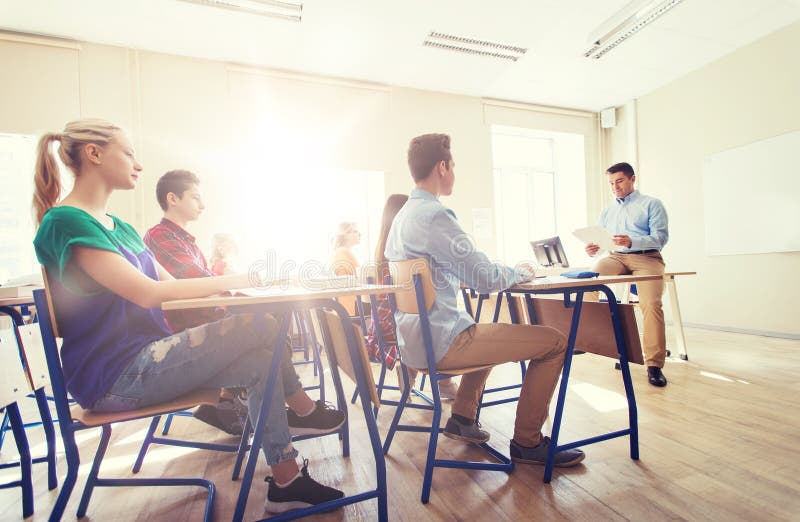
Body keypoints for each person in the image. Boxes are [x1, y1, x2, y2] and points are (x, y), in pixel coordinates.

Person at [32, 119, 344, 513]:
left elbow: (171, 288)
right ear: (94, 154)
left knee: (261, 362)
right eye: (129, 153)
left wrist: (237, 286)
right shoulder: (65, 221)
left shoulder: (122, 228)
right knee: (264, 324)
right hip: (112, 375)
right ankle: (302, 411)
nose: (138, 164)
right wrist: (244, 277)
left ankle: (287, 480)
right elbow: (149, 293)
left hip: (148, 359)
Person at [384, 133, 585, 467]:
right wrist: (519, 271)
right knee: (555, 343)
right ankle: (528, 443)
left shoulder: (402, 218)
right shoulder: (435, 216)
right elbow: (485, 279)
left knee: (488, 330)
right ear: (443, 166)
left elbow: (458, 269)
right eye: (454, 167)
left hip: (414, 343)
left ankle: (462, 418)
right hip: (442, 343)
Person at [143, 169, 345, 436]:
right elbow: (195, 280)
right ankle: (298, 409)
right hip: (188, 336)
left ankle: (236, 402)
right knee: (268, 325)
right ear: (173, 199)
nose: (203, 205)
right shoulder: (160, 236)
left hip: (203, 322)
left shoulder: (184, 241)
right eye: (195, 198)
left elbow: (206, 285)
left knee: (270, 323)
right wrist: (240, 285)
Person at [584, 162, 669, 387]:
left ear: (632, 179)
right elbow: (603, 241)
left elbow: (660, 238)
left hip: (647, 257)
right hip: (616, 257)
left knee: (651, 304)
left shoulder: (652, 204)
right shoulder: (607, 211)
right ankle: (595, 341)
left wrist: (634, 241)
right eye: (611, 183)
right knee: (587, 282)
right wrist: (595, 249)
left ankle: (654, 364)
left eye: (619, 181)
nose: (615, 187)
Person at [365, 194, 458, 399]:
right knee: (440, 322)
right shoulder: (408, 251)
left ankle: (418, 375)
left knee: (424, 318)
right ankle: (444, 383)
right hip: (399, 329)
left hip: (380, 329)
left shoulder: (382, 248)